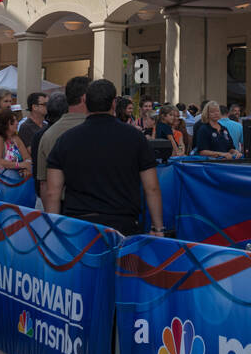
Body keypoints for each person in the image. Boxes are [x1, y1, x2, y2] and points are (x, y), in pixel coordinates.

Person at [43, 79, 165, 238]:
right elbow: (152, 188)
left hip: (78, 225)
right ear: (114, 103)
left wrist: (53, 230)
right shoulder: (135, 137)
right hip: (122, 224)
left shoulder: (65, 140)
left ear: (85, 101)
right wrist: (158, 228)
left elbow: (53, 192)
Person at [36, 77, 89, 200]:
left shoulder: (47, 134)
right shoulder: (97, 128)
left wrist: (51, 217)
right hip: (91, 205)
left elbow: (44, 184)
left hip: (61, 205)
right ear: (85, 98)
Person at [0, 108, 32, 172]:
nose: (17, 123)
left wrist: (26, 168)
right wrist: (20, 165)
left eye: (16, 120)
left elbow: (27, 158)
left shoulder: (16, 138)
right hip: (2, 179)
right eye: (13, 121)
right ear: (4, 124)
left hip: (18, 178)